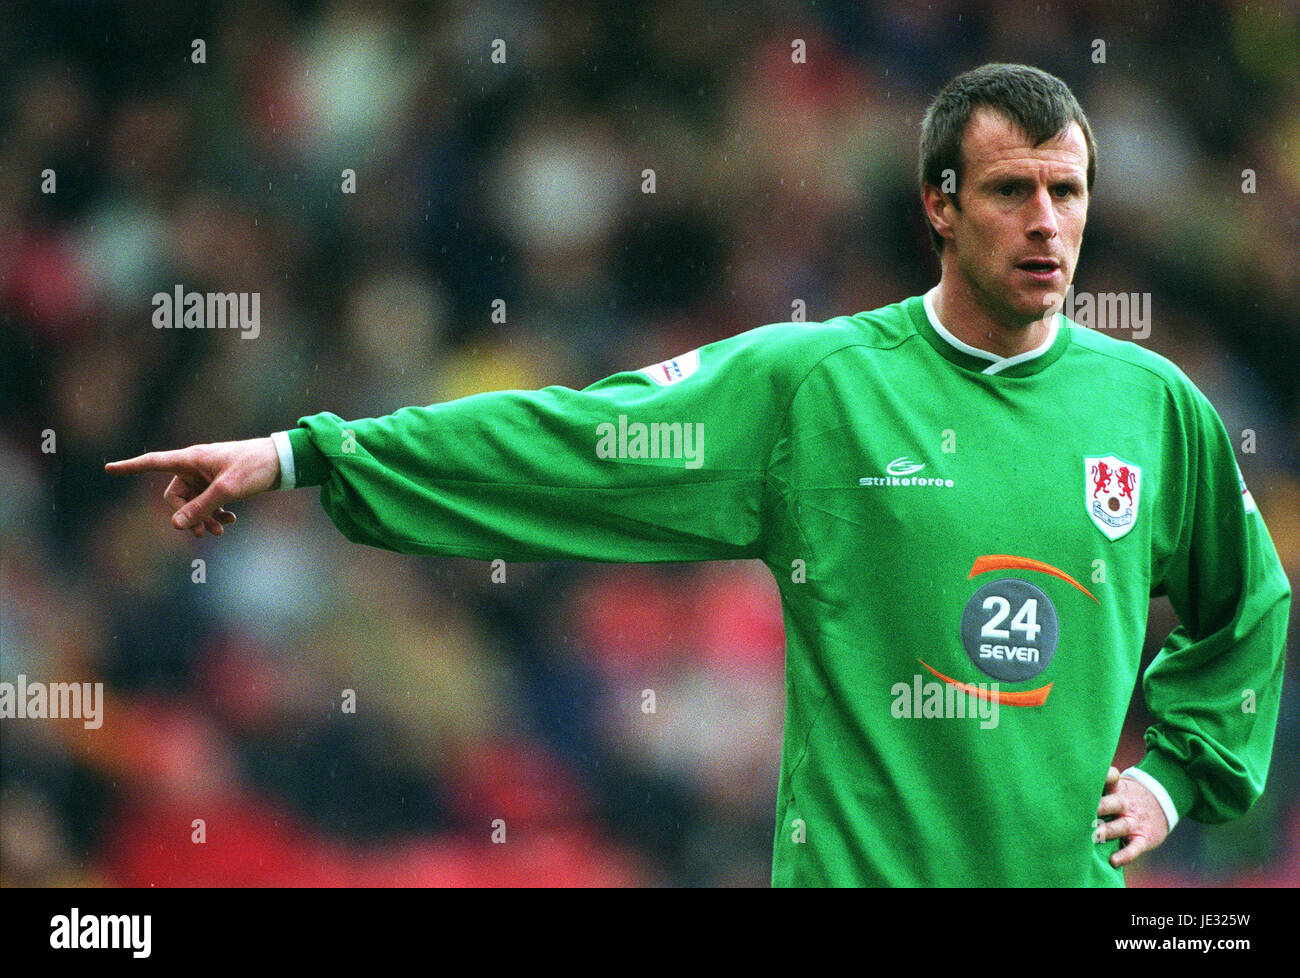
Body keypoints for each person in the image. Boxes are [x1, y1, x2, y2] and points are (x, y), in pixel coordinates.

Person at [106, 63, 1290, 886]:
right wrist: (308, 452)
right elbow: (578, 438)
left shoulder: (1152, 406)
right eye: (1009, 191)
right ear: (937, 205)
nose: (1046, 223)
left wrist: (1177, 780)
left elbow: (1248, 605)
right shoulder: (815, 386)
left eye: (1066, 192)